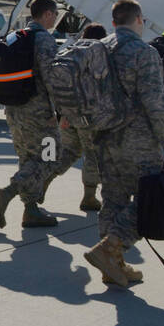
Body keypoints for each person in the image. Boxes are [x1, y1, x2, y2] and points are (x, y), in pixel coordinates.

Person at [84, 0, 164, 287]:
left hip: (103, 137)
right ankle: (110, 248)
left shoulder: (97, 50)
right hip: (138, 140)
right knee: (151, 199)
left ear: (113, 22)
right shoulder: (144, 52)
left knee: (113, 199)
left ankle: (113, 267)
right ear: (139, 20)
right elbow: (155, 102)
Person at [0, 0, 63, 230]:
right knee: (50, 157)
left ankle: (30, 211)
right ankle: (6, 193)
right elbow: (53, 78)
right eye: (55, 14)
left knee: (28, 159)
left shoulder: (15, 36)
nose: (56, 19)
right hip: (39, 113)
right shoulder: (44, 40)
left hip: (14, 110)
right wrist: (60, 111)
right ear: (48, 14)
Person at [58, 22, 107, 212]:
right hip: (89, 114)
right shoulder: (99, 55)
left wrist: (63, 113)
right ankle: (89, 197)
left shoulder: (69, 52)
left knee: (68, 152)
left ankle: (42, 183)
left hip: (67, 113)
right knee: (92, 155)